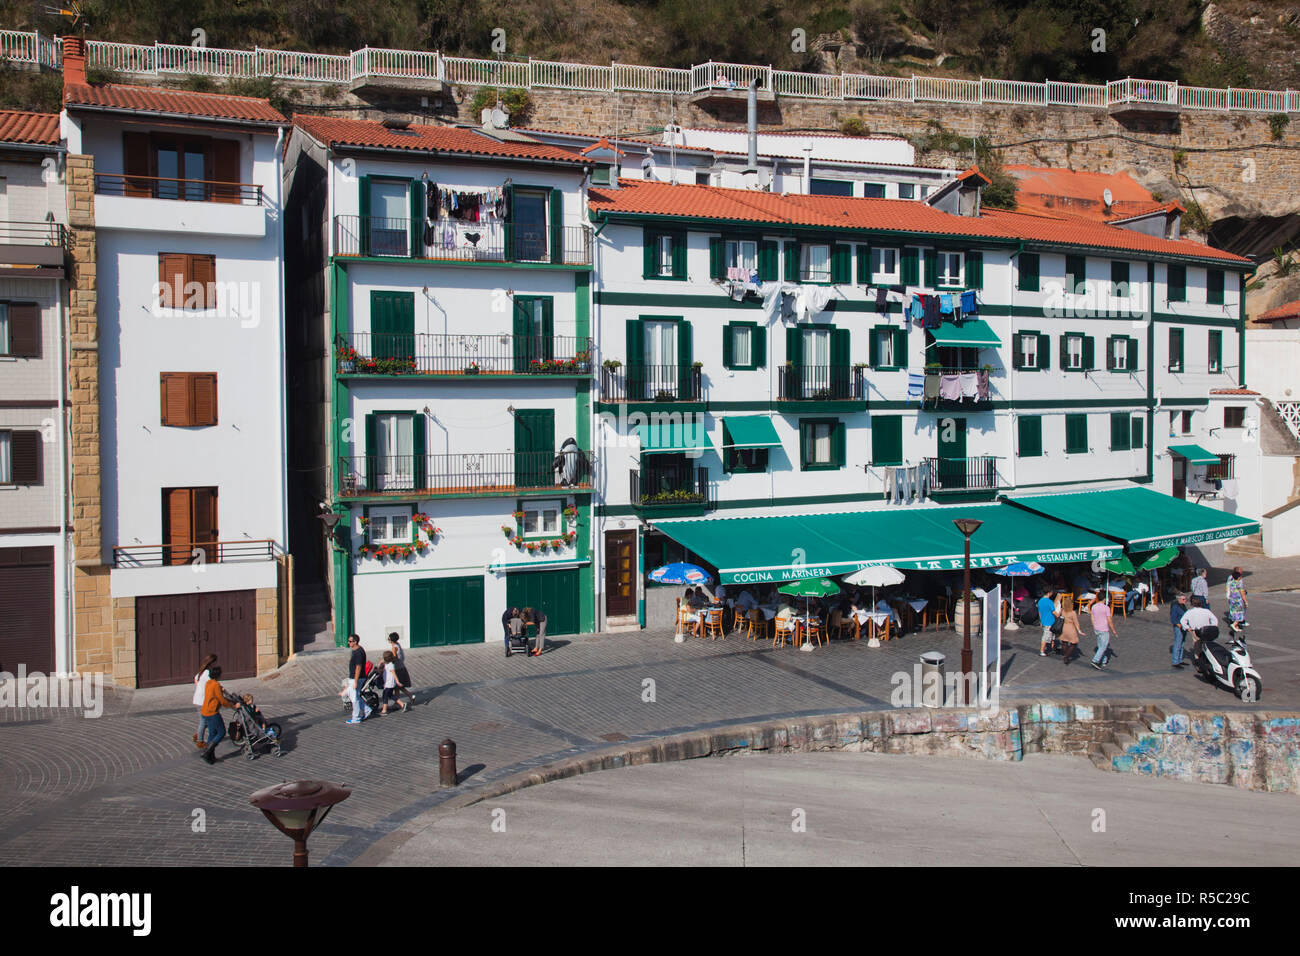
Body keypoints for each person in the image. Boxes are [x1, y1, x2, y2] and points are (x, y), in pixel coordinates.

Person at [199, 666, 238, 764]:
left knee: (212, 733)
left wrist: (221, 688)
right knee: (221, 732)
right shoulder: (216, 685)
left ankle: (210, 757)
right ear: (218, 675)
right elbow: (221, 700)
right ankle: (207, 752)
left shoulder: (209, 683)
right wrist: (233, 705)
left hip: (205, 711)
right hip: (212, 712)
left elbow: (214, 691)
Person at [192, 653, 217, 751]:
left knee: (205, 721)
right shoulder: (207, 673)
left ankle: (198, 735)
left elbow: (195, 679)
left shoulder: (201, 672)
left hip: (198, 699)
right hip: (202, 701)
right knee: (204, 721)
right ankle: (200, 741)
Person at [345, 634, 371, 724]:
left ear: (355, 642)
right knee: (352, 694)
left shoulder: (359, 652)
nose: (348, 643)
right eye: (348, 641)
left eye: (350, 641)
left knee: (354, 698)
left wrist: (355, 681)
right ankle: (367, 710)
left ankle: (355, 717)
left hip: (357, 678)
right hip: (354, 677)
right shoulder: (355, 650)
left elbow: (358, 667)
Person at [387, 632, 416, 706]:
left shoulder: (394, 648)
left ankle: (398, 702)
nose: (388, 639)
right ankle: (409, 697)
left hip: (398, 669)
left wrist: (387, 660)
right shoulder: (397, 644)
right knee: (399, 687)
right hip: (401, 667)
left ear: (391, 640)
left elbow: (394, 658)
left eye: (389, 638)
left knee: (397, 686)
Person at [1090, 593, 1117, 670]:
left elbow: (1092, 617)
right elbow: (1109, 620)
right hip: (1104, 629)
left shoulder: (1094, 607)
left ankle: (1103, 661)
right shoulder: (1106, 608)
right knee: (1103, 646)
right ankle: (1095, 660)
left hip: (1097, 628)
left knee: (1100, 645)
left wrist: (1094, 625)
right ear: (1104, 599)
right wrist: (1113, 630)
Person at [378, 650, 408, 715]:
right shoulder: (387, 663)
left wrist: (397, 682)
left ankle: (384, 710)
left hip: (389, 684)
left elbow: (394, 675)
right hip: (387, 684)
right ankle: (402, 704)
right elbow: (380, 663)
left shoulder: (391, 665)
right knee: (390, 695)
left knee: (385, 696)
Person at [1057, 599, 1083, 665]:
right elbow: (1076, 623)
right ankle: (1066, 656)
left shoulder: (1062, 610)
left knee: (1064, 642)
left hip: (1063, 628)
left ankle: (1065, 653)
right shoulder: (1073, 612)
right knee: (1073, 644)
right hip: (1070, 629)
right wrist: (1079, 631)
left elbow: (1057, 616)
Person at [1226, 567, 1249, 634]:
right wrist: (1246, 601)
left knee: (1233, 611)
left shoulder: (1231, 582)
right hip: (1238, 600)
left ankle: (1236, 626)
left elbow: (1227, 588)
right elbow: (1242, 594)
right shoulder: (1238, 584)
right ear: (1238, 577)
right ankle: (1234, 624)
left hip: (1232, 599)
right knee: (1239, 612)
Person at [1169, 592, 1190, 668]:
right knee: (1178, 643)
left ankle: (1180, 659)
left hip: (1183, 626)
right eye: (1184, 599)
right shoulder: (1175, 606)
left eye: (1185, 599)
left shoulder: (1182, 605)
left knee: (1182, 643)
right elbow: (1173, 617)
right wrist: (1178, 624)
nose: (1185, 600)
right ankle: (1175, 661)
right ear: (1179, 599)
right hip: (1179, 627)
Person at [1037, 589, 1058, 657]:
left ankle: (1053, 648)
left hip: (1044, 621)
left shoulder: (1040, 601)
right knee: (1046, 637)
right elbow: (1053, 612)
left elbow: (1039, 612)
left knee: (1052, 636)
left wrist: (1040, 621)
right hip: (1050, 621)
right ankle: (1042, 651)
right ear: (1049, 593)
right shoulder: (1050, 602)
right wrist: (1060, 615)